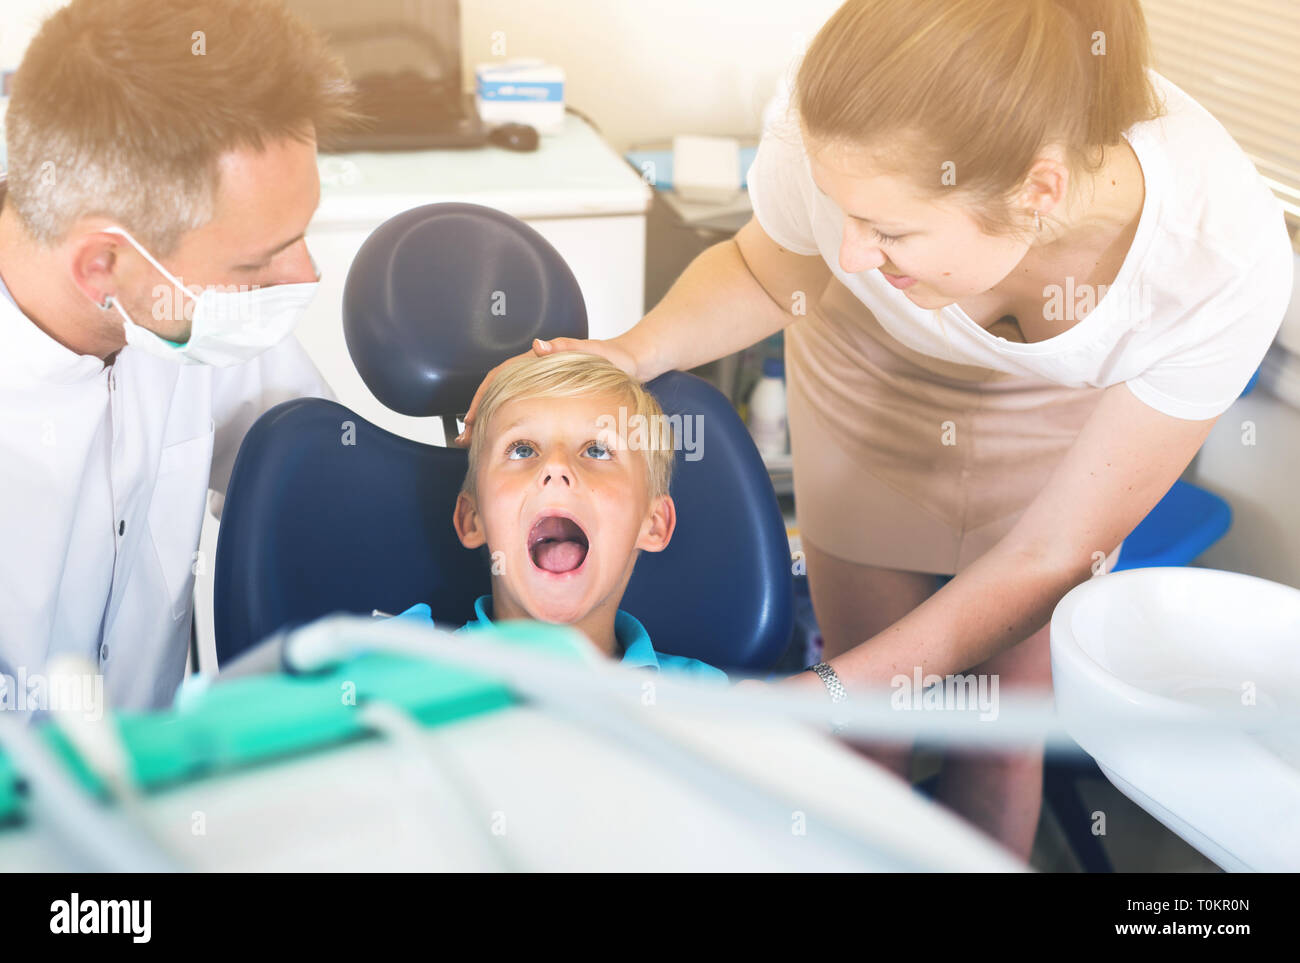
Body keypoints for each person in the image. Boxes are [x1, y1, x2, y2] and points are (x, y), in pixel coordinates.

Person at [458, 0, 1295, 858]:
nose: (847, 252)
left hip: (1056, 414)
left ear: (1039, 192)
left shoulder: (1216, 261)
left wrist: (803, 696)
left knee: (1000, 729)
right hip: (867, 366)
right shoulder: (842, 124)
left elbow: (1049, 556)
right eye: (840, 214)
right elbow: (767, 268)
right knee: (869, 722)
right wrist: (626, 354)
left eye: (888, 228)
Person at [0, 0, 354, 711]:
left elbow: (330, 480)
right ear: (103, 264)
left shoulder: (185, 311)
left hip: (153, 791)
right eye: (261, 260)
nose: (305, 275)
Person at [401, 353, 725, 681]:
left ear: (653, 524)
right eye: (522, 450)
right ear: (473, 519)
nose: (556, 466)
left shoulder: (708, 700)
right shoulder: (402, 666)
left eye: (597, 450)